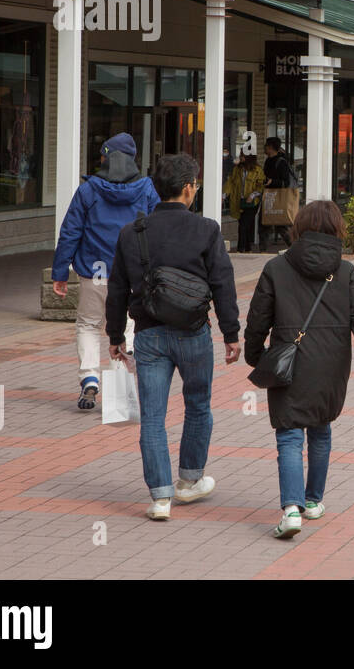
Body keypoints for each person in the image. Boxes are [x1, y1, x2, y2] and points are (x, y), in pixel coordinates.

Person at [105, 153, 240, 521]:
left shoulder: (132, 233)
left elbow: (117, 288)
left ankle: (160, 498)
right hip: (194, 333)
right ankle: (189, 481)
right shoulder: (207, 229)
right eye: (195, 184)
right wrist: (231, 332)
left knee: (153, 416)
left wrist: (115, 334)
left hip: (148, 335)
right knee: (198, 405)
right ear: (186, 189)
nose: (195, 190)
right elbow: (222, 283)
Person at [243, 199, 354, 538]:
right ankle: (313, 501)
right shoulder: (346, 270)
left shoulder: (276, 268)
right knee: (320, 428)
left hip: (288, 361)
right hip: (332, 363)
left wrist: (255, 355)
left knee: (290, 434)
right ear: (337, 229)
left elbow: (257, 318)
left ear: (298, 228)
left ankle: (290, 510)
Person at [52, 132, 161, 410]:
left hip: (93, 272)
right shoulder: (147, 189)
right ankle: (118, 397)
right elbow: (159, 229)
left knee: (88, 324)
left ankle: (89, 377)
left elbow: (70, 232)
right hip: (131, 274)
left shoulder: (88, 190)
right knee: (125, 326)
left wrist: (60, 272)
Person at [224, 152, 265, 253]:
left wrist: (252, 195)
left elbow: (260, 186)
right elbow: (230, 183)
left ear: (248, 157)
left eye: (242, 156)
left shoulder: (257, 170)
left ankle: (240, 249)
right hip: (239, 201)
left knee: (243, 225)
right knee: (244, 225)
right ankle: (248, 249)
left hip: (252, 203)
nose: (240, 157)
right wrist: (224, 194)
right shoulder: (237, 169)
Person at [260, 137, 296, 251]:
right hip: (269, 196)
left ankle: (294, 248)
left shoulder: (281, 162)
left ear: (270, 147)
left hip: (279, 197)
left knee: (281, 225)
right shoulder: (268, 161)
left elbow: (286, 182)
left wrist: (272, 181)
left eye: (266, 146)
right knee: (264, 224)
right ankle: (263, 250)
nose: (264, 148)